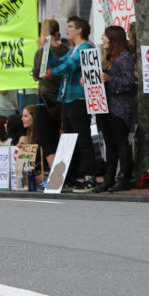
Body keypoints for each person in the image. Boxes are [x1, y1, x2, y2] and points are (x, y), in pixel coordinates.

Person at [45, 16, 96, 191]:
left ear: (80, 30)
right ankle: (71, 176)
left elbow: (70, 66)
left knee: (83, 138)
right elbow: (60, 62)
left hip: (79, 98)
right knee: (69, 139)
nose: (67, 29)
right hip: (67, 98)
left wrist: (52, 72)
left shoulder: (86, 47)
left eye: (71, 26)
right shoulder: (73, 49)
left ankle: (90, 175)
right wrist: (47, 51)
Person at [94, 25, 135, 192]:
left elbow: (128, 82)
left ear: (112, 39)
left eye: (105, 36)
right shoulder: (109, 57)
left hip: (118, 108)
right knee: (110, 144)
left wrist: (109, 79)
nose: (102, 39)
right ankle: (109, 178)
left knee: (120, 143)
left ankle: (124, 177)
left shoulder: (124, 57)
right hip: (105, 106)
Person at [32, 18, 66, 167]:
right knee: (61, 138)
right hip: (64, 99)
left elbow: (36, 76)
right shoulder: (65, 49)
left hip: (45, 101)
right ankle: (66, 173)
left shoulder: (42, 51)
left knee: (46, 140)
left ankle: (56, 174)